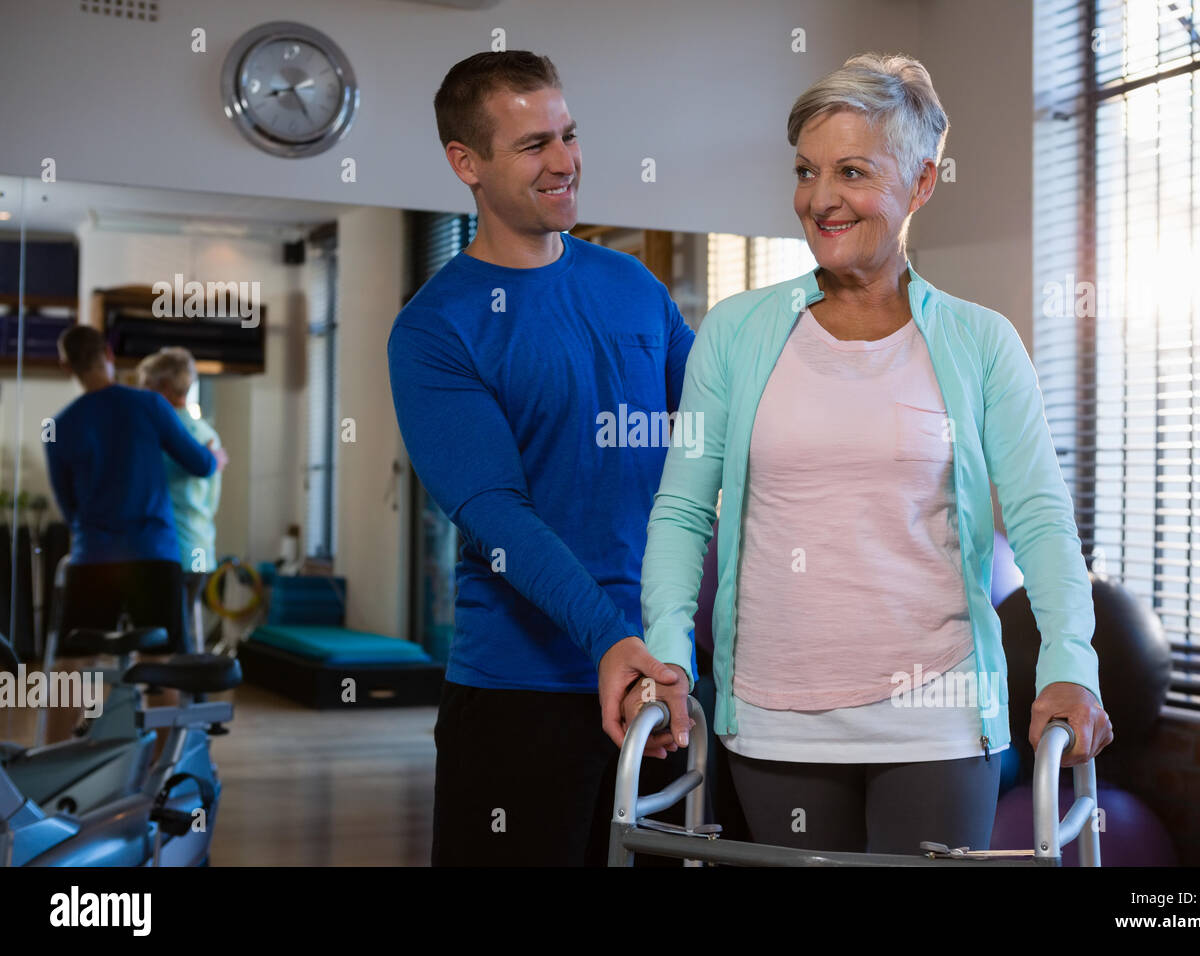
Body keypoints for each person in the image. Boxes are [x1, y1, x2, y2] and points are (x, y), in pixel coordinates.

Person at [623, 53, 1114, 856]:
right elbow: (681, 511)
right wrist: (670, 655)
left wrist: (1070, 662)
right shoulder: (738, 333)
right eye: (807, 171)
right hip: (775, 717)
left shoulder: (980, 342)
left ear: (921, 184)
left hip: (941, 718)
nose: (821, 198)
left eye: (852, 171)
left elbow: (1040, 520)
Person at [387, 51, 695, 866]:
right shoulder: (435, 328)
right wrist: (607, 638)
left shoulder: (632, 286)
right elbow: (495, 514)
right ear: (467, 163)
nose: (564, 161)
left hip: (656, 684)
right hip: (520, 697)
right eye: (532, 145)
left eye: (568, 134)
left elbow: (719, 432)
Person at [44, 326, 227, 657]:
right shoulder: (150, 406)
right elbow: (199, 464)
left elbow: (67, 505)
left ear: (66, 366)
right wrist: (215, 457)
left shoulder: (59, 427)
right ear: (109, 355)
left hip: (93, 557)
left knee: (73, 663)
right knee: (161, 664)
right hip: (153, 554)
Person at [138, 347, 223, 652]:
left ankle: (168, 691)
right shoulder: (207, 434)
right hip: (200, 547)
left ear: (161, 388)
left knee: (160, 635)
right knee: (182, 626)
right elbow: (212, 501)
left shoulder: (153, 432)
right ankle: (189, 692)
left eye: (146, 387)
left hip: (166, 549)